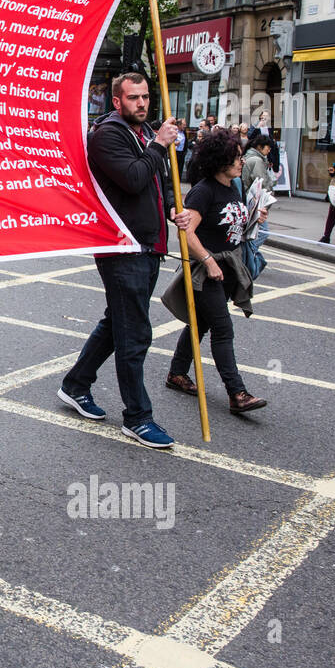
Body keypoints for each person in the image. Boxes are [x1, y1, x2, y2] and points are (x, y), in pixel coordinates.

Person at [57, 73, 190, 451]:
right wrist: (160, 146)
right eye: (134, 98)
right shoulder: (107, 135)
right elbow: (132, 178)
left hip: (149, 245)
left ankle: (75, 384)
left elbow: (156, 182)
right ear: (117, 101)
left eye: (146, 96)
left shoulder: (146, 131)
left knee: (117, 324)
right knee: (135, 335)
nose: (142, 103)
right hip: (121, 249)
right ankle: (138, 418)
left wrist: (173, 210)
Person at [164, 131, 267, 414]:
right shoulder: (204, 190)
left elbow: (233, 227)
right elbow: (186, 234)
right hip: (205, 273)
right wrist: (208, 261)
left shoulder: (233, 187)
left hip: (227, 269)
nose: (241, 160)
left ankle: (176, 373)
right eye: (236, 156)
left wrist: (255, 217)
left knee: (200, 323)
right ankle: (237, 393)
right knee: (223, 329)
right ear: (220, 161)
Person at [241, 134, 274, 246]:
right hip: (253, 203)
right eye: (268, 147)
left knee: (249, 233)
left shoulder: (250, 157)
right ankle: (249, 256)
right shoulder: (256, 161)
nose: (269, 150)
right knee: (262, 233)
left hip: (246, 200)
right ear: (259, 147)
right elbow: (262, 183)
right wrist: (267, 202)